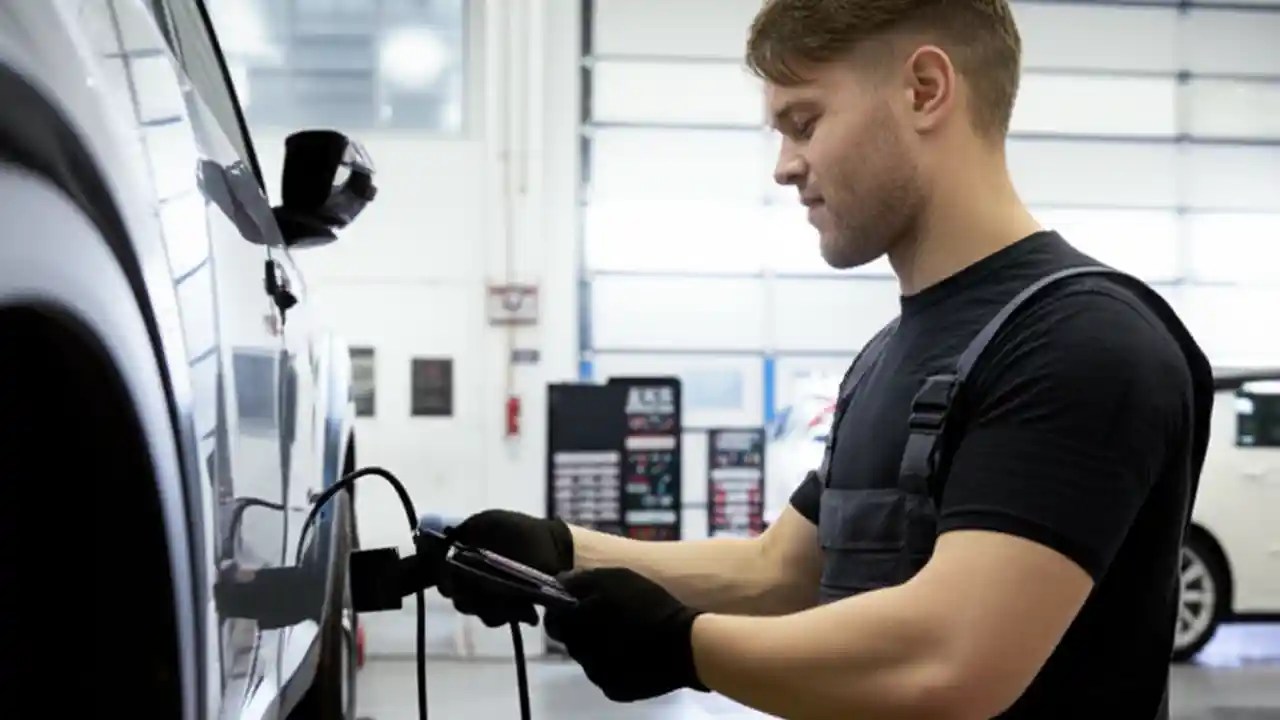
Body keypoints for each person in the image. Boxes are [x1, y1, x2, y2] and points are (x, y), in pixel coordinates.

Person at [439, 0, 1215, 717]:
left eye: (804, 122)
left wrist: (683, 645)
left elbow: (952, 655)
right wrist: (560, 552)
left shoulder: (1082, 343)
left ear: (923, 89)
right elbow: (785, 571)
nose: (783, 165)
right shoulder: (890, 355)